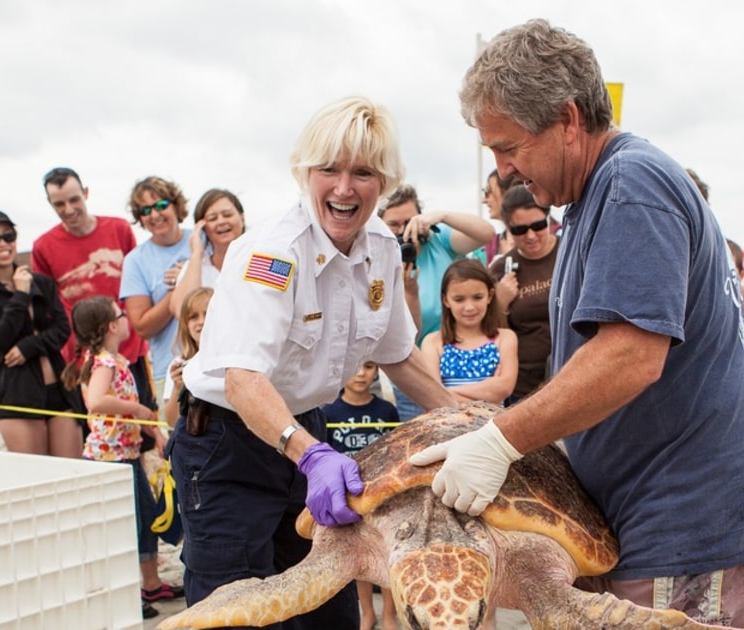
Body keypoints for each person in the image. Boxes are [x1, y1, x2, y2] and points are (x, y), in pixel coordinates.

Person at [409, 20, 744, 628]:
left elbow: (630, 356)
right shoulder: (592, 200)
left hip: (684, 530)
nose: (503, 170)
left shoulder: (632, 185)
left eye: (510, 146)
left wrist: (500, 440)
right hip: (640, 522)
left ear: (568, 119)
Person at [173, 96, 453, 629]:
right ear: (305, 172)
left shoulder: (382, 248)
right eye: (329, 169)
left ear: (384, 181)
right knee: (234, 613)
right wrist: (311, 457)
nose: (344, 188)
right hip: (228, 445)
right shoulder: (271, 252)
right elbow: (242, 379)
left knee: (329, 609)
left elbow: (398, 354)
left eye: (362, 173)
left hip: (306, 433)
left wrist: (466, 422)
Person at [60, 296, 175, 620]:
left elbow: (123, 409)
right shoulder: (104, 364)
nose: (126, 319)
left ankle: (150, 583)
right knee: (123, 527)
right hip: (108, 461)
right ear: (112, 326)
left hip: (127, 454)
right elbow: (97, 401)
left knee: (145, 519)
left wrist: (154, 432)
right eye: (121, 314)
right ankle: (124, 592)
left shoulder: (115, 360)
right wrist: (136, 408)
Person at [32, 167, 156, 420]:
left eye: (74, 199)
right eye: (59, 204)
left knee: (146, 425)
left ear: (86, 193)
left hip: (130, 349)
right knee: (99, 429)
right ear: (50, 204)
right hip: (85, 359)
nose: (69, 209)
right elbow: (46, 307)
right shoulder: (43, 247)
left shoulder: (119, 229)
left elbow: (140, 282)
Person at [0, 209, 82, 457]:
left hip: (60, 390)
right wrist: (20, 294)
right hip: (17, 395)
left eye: (8, 236)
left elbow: (62, 329)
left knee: (74, 473)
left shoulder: (42, 283)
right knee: (34, 475)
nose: (2, 244)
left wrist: (28, 346)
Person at [378, 184, 495, 420]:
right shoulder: (378, 258)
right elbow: (408, 336)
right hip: (415, 377)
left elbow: (486, 233)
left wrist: (441, 216)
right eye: (394, 224)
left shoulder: (438, 241)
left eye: (409, 222)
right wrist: (410, 293)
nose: (403, 231)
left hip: (461, 369)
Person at [318, 360, 400, 630]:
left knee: (387, 555)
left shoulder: (386, 409)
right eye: (354, 367)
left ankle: (390, 614)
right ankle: (367, 613)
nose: (361, 373)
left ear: (377, 371)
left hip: (383, 494)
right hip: (349, 497)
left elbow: (394, 451)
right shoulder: (330, 411)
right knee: (360, 558)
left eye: (368, 366)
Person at [120, 175, 193, 408]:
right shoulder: (135, 261)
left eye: (161, 205)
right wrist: (182, 285)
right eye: (145, 210)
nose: (154, 214)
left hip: (217, 363)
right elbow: (142, 326)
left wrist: (190, 270)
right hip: (171, 372)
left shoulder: (202, 239)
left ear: (176, 206)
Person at [489, 186, 558, 403]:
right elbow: (487, 333)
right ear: (508, 229)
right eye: (520, 230)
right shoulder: (500, 269)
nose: (530, 236)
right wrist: (500, 304)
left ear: (548, 219)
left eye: (538, 226)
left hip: (574, 373)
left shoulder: (570, 251)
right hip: (524, 386)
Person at [422, 259, 518, 405]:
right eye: (459, 299)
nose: (469, 307)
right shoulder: (433, 342)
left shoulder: (505, 338)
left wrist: (445, 392)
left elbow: (505, 388)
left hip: (495, 421)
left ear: (490, 296)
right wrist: (489, 388)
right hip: (450, 421)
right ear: (446, 300)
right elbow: (432, 397)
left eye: (477, 297)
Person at [168, 189, 245, 317]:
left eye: (227, 215)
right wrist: (196, 254)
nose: (221, 221)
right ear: (202, 227)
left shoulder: (260, 260)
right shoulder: (195, 267)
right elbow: (181, 310)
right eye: (212, 218)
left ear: (242, 218)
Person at [161, 287, 213, 429]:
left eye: (207, 314)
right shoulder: (179, 364)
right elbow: (172, 422)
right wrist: (178, 388)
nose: (201, 321)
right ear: (185, 325)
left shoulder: (231, 359)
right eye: (193, 317)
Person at [482, 169, 516, 260]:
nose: (483, 200)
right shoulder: (488, 248)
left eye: (488, 191)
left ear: (509, 193)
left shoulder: (551, 236)